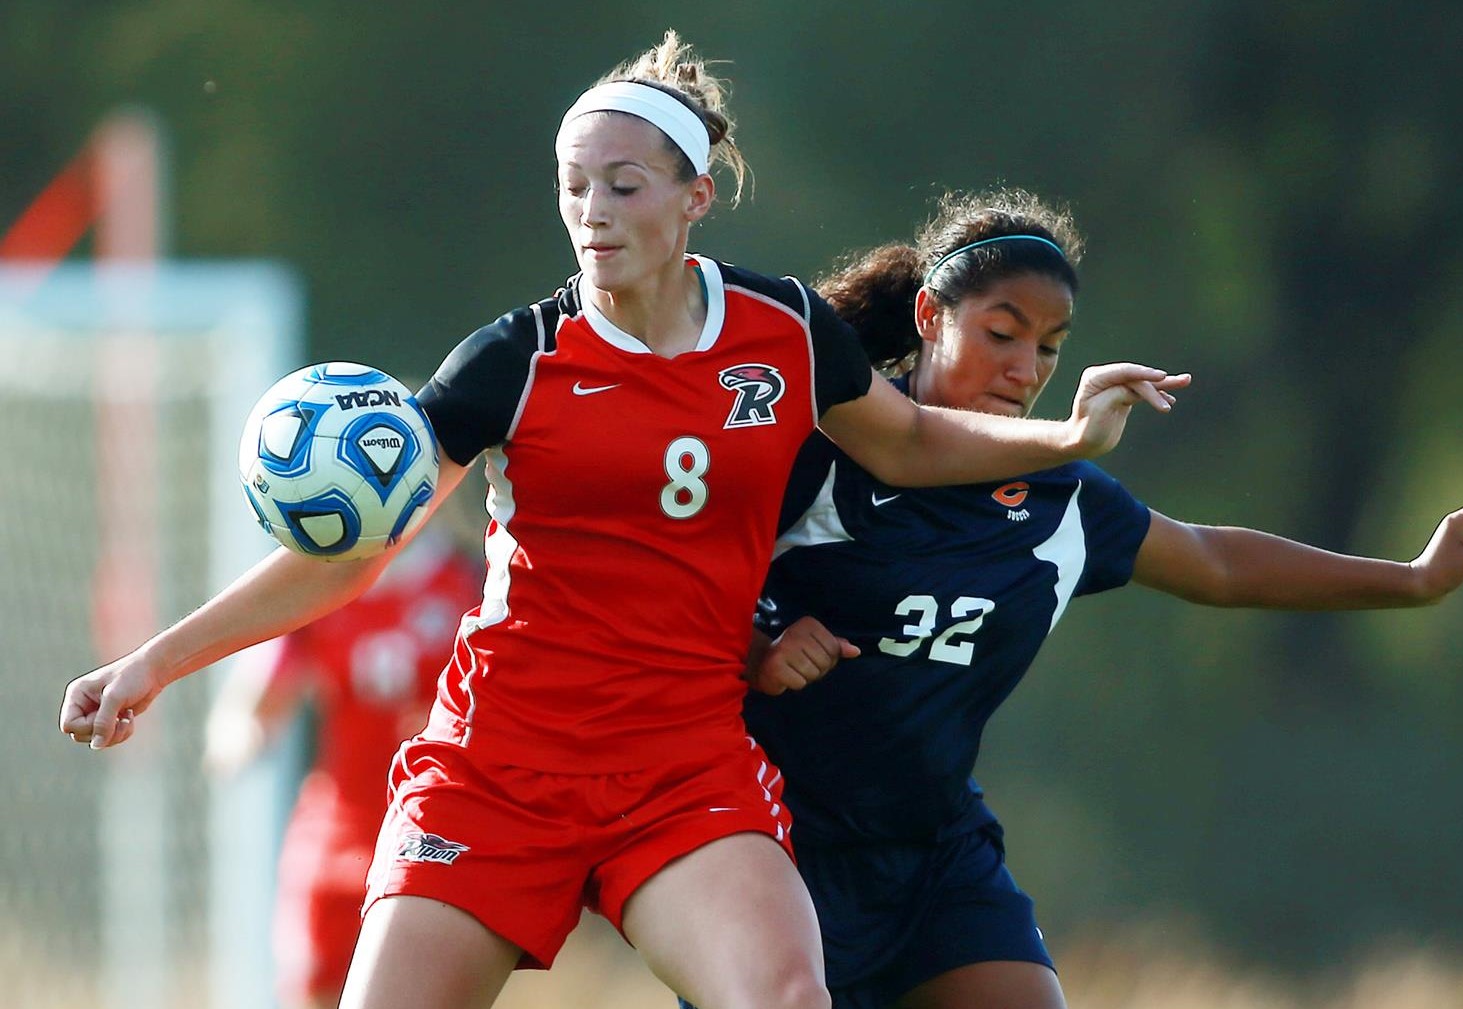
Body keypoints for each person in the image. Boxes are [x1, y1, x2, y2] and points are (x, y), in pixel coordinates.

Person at [58, 33, 1190, 1009]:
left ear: (693, 195)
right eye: (573, 184)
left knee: (788, 994)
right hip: (499, 766)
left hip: (679, 765)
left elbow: (908, 441)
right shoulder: (515, 359)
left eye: (623, 185)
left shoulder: (783, 329)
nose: (591, 212)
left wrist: (1068, 441)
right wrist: (154, 664)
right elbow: (352, 557)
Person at [706, 188, 1463, 1009]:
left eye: (1050, 347)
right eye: (1001, 332)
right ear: (927, 314)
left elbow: (1216, 562)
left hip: (934, 853)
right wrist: (759, 648)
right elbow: (658, 585)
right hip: (763, 843)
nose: (1026, 369)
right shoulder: (815, 447)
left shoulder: (1060, 501)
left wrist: (1413, 578)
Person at [204, 523, 484, 1009]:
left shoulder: (470, 580)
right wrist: (238, 737)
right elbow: (252, 704)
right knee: (314, 993)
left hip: (437, 837)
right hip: (338, 834)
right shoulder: (319, 585)